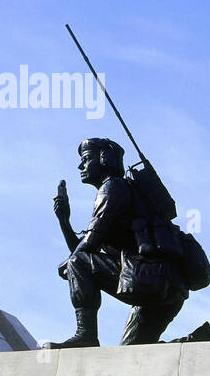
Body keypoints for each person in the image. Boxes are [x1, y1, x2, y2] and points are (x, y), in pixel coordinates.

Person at [47, 137, 187, 347]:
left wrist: (69, 261)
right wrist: (64, 221)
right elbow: (85, 250)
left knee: (77, 263)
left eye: (86, 159)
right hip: (169, 287)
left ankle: (86, 335)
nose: (80, 165)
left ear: (104, 159)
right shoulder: (126, 189)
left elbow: (87, 250)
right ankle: (190, 343)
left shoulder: (112, 187)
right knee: (134, 350)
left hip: (149, 279)